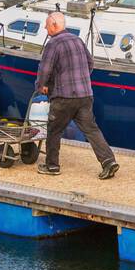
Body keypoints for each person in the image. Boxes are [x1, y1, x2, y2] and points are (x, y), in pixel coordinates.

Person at [33, 11, 118, 179]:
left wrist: (40, 86)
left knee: (54, 130)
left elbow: (45, 70)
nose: (44, 27)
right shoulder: (77, 40)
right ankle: (108, 161)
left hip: (64, 96)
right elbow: (90, 63)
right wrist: (82, 80)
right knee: (91, 129)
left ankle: (52, 166)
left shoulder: (53, 44)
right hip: (85, 95)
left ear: (55, 25)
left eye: (47, 24)